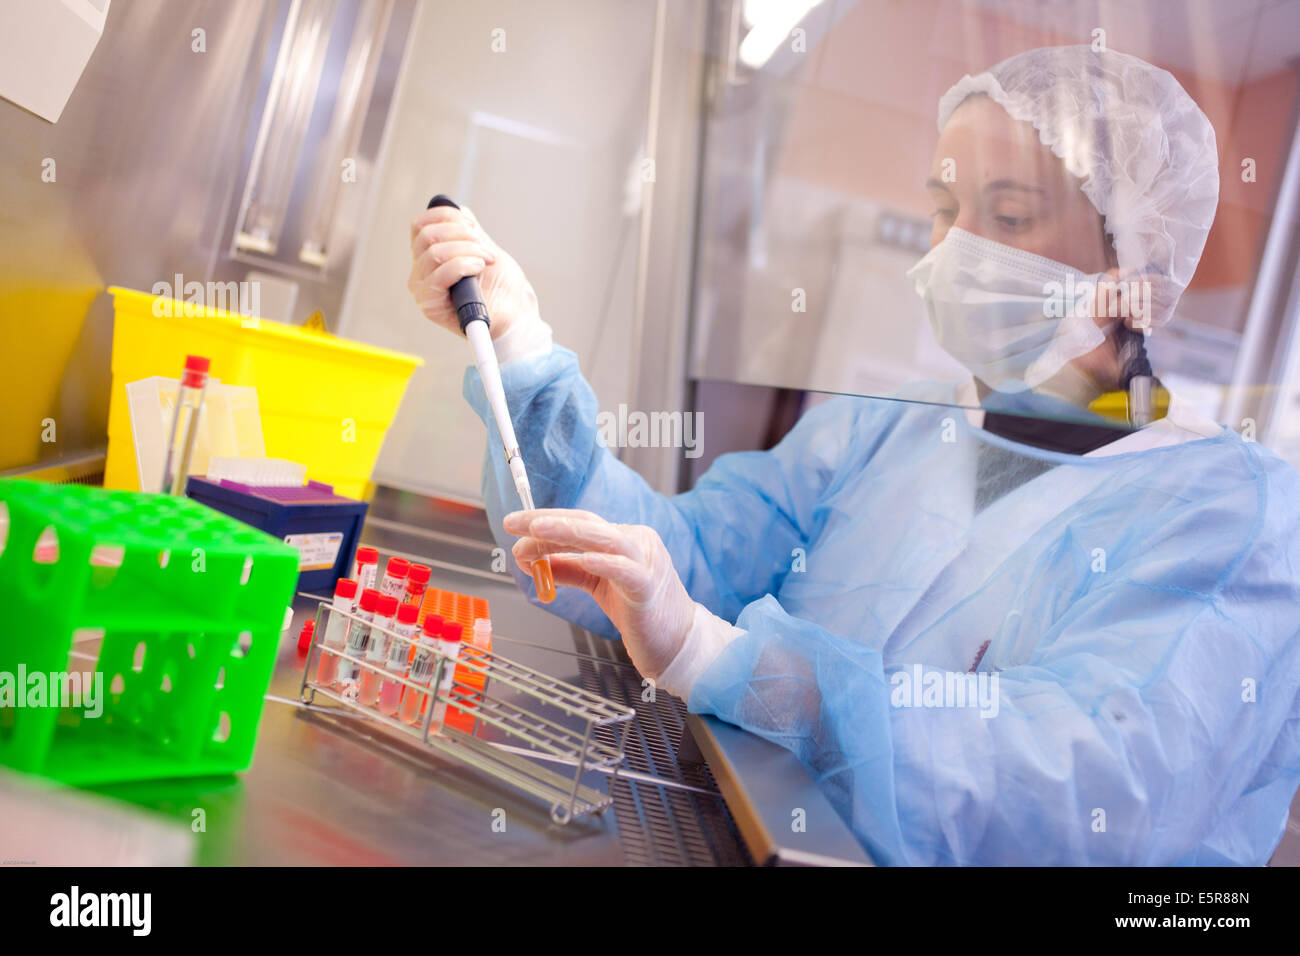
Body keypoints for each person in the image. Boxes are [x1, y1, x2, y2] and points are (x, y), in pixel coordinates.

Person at [407, 46, 1300, 865]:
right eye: (945, 212)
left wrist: (734, 666)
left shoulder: (1233, 516)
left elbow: (1085, 789)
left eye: (1011, 215)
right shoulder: (884, 429)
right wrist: (521, 351)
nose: (953, 253)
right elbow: (685, 567)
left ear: (1130, 261)